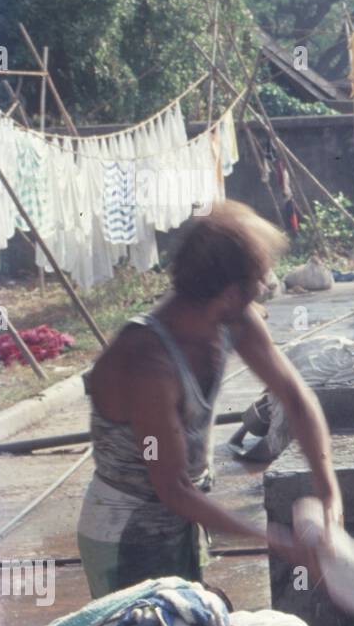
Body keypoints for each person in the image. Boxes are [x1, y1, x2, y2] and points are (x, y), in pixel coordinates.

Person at [77, 201, 339, 598]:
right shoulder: (148, 363)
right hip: (126, 536)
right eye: (259, 279)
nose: (265, 287)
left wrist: (329, 492)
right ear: (231, 291)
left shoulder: (235, 319)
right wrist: (278, 539)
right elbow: (173, 488)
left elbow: (294, 398)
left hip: (181, 521)